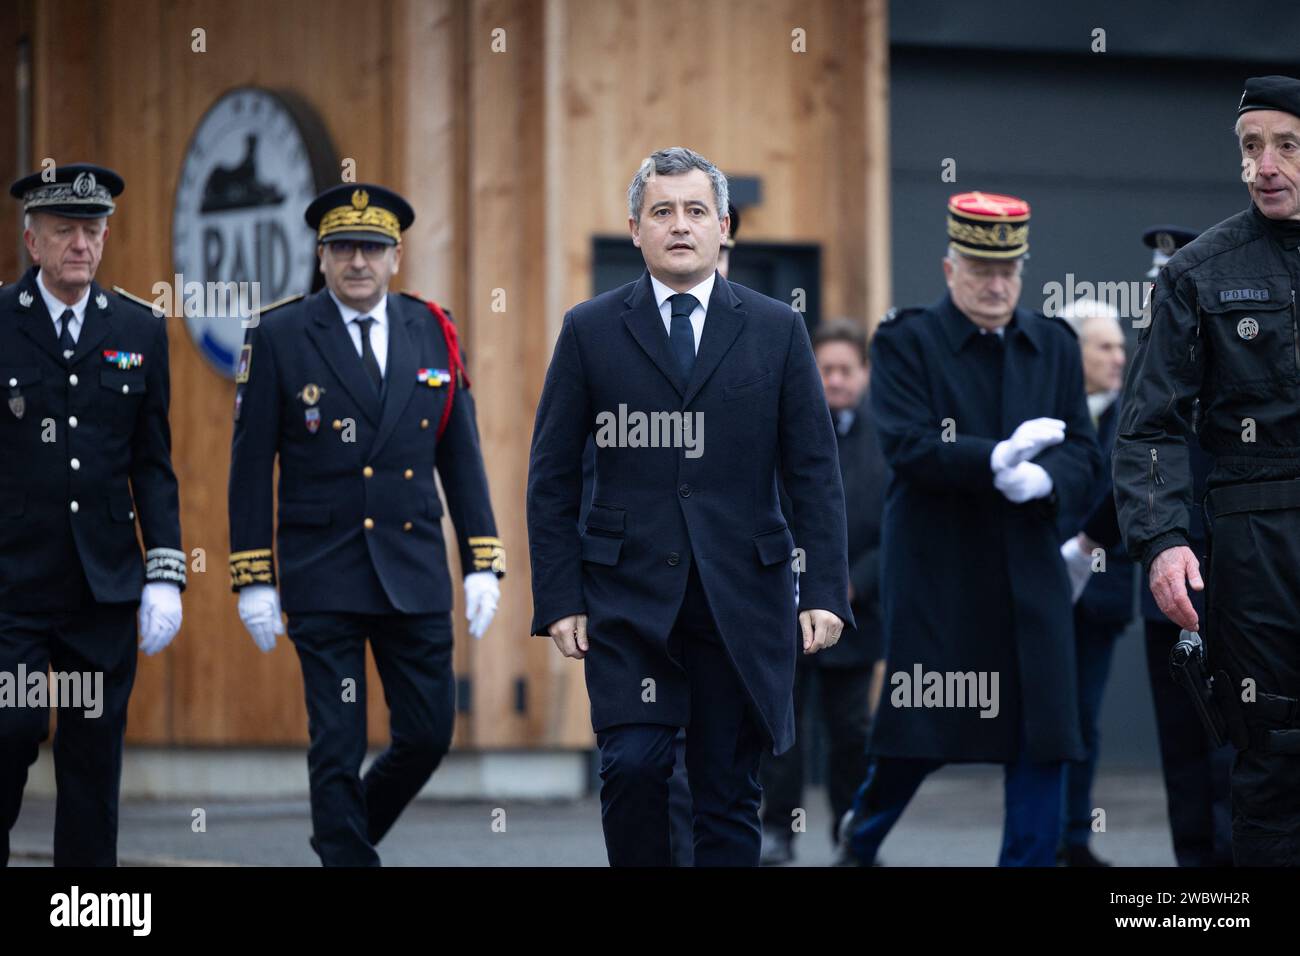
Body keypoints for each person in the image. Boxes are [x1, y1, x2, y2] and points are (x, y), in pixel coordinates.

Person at [527, 146, 852, 866]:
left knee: (727, 791)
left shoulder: (778, 329)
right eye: (662, 212)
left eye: (697, 211)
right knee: (634, 768)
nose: (681, 225)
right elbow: (550, 475)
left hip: (742, 599)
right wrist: (558, 596)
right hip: (627, 601)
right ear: (635, 229)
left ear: (724, 226)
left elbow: (814, 470)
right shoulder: (589, 329)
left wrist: (826, 586)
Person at [227, 183, 505, 866]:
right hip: (325, 570)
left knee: (428, 734)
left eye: (373, 248)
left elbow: (460, 455)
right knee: (337, 742)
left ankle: (340, 838)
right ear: (321, 257)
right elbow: (248, 462)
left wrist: (482, 561)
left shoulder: (431, 328)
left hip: (412, 567)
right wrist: (252, 576)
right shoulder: (282, 334)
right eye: (344, 247)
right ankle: (347, 855)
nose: (359, 261)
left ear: (396, 256)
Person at [838, 191, 1101, 867]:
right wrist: (992, 458)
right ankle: (861, 835)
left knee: (1045, 729)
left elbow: (1085, 454)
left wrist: (1044, 480)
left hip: (1028, 566)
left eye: (1008, 270)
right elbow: (905, 444)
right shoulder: (905, 339)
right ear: (950, 269)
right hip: (939, 568)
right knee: (918, 732)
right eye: (980, 269)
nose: (995, 284)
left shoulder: (1053, 344)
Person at [1114, 75, 1300, 866]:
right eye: (1251, 147)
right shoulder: (1200, 271)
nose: (1266, 164)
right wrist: (1161, 540)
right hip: (1255, 544)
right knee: (1274, 751)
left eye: (1287, 145)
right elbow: (1150, 424)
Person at [0, 164, 185, 866]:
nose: (81, 243)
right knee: (11, 729)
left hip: (102, 584)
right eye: (64, 230)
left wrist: (165, 571)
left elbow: (153, 463)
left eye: (92, 229)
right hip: (13, 582)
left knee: (92, 757)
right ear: (32, 240)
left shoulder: (138, 328)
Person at [760, 318, 885, 865]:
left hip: (857, 613)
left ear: (864, 373)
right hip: (783, 608)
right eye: (825, 369)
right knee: (781, 729)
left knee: (852, 733)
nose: (833, 380)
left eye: (844, 370)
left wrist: (855, 581)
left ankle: (851, 833)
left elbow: (896, 525)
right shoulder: (782, 430)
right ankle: (777, 832)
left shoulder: (888, 439)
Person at [1056, 298, 1133, 866]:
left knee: (1084, 718)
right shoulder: (1043, 413)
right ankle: (1039, 835)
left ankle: (1075, 840)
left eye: (1121, 346)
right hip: (1043, 593)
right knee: (1042, 720)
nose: (1118, 357)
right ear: (1073, 351)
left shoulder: (1137, 416)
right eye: (1104, 346)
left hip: (1101, 598)